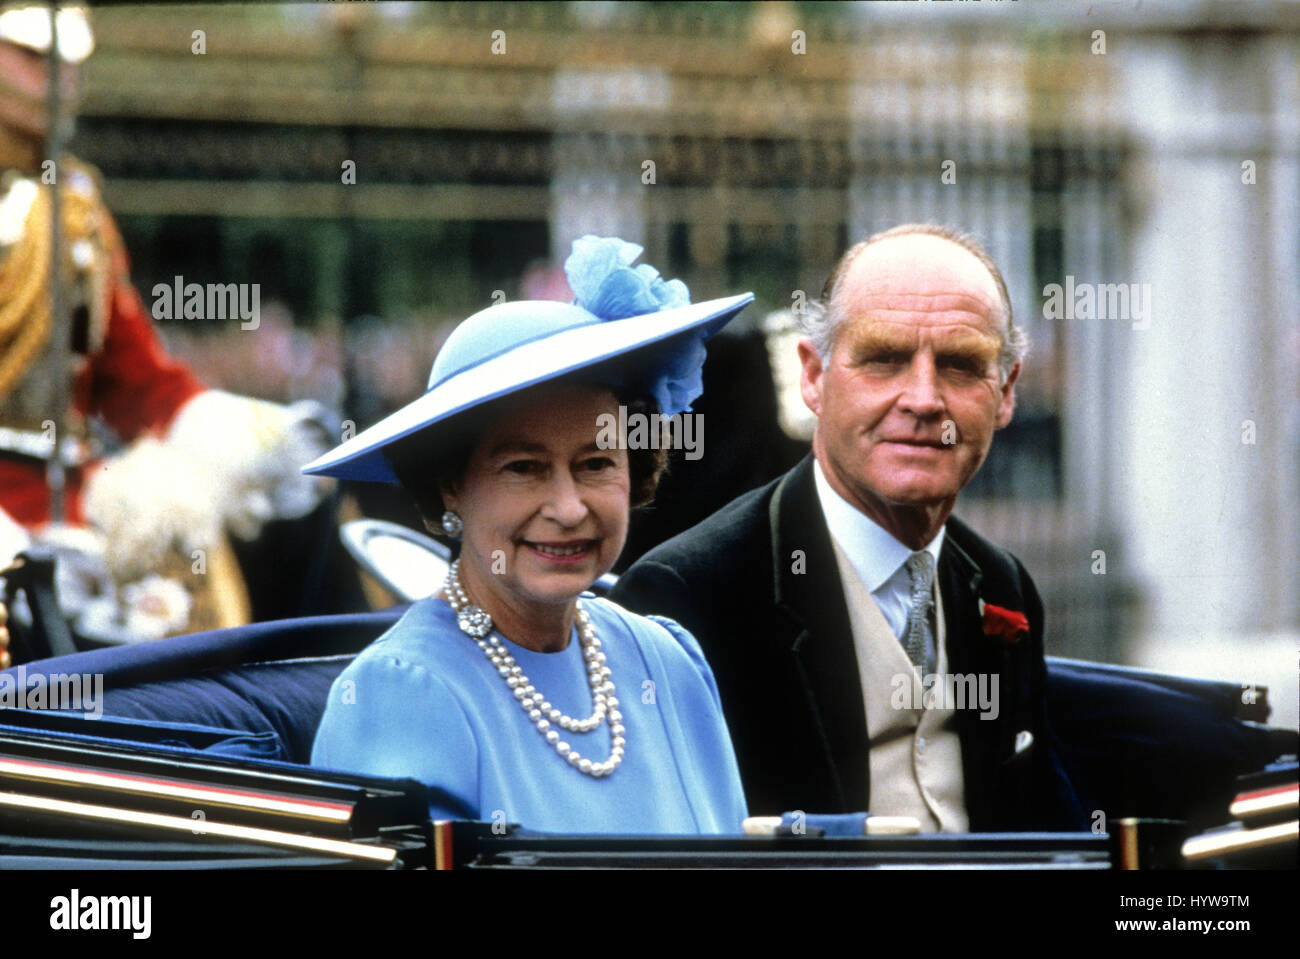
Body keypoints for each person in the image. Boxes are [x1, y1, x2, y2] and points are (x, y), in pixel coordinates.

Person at [611, 224, 1087, 832]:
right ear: (813, 377)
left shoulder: (999, 582)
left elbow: (1042, 824)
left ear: (1007, 393)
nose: (922, 399)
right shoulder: (691, 595)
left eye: (961, 366)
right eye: (884, 359)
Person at [307, 236, 751, 834]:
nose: (568, 509)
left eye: (596, 464)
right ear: (449, 486)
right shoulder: (402, 695)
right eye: (523, 468)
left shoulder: (666, 660)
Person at [0, 4, 328, 640]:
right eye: (36, 60)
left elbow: (138, 384)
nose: (61, 80)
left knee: (195, 587)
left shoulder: (77, 208)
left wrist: (261, 439)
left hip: (71, 497)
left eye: (71, 63)